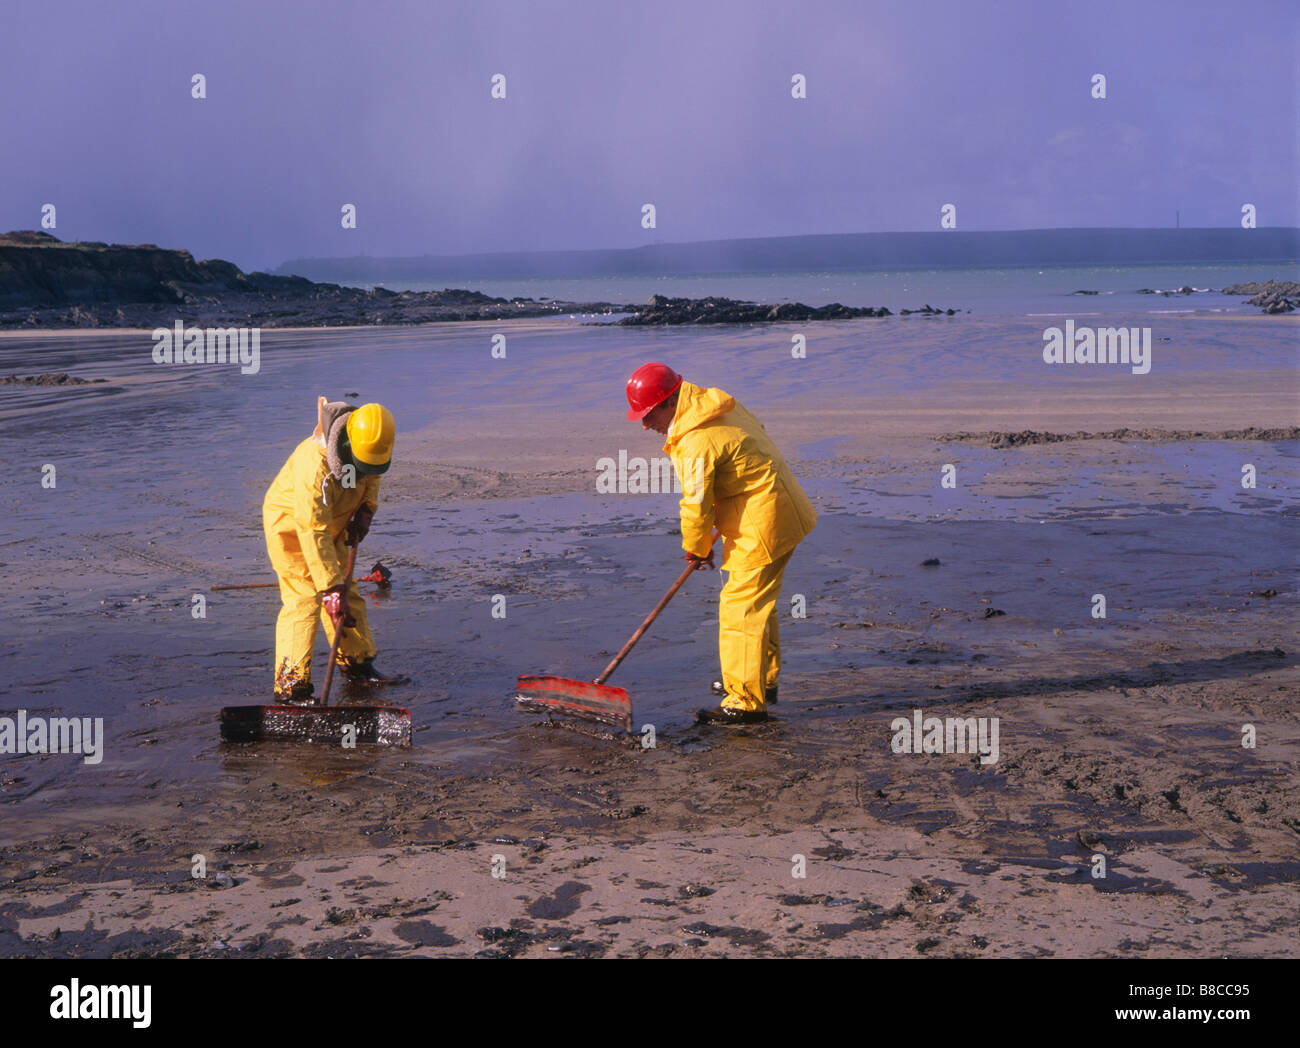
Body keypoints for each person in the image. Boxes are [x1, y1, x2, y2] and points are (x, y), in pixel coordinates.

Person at [626, 363, 817, 724]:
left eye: (648, 414)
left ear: (669, 402)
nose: (645, 424)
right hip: (776, 505)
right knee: (757, 601)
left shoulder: (696, 440)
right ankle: (760, 680)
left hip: (764, 521)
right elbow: (749, 443)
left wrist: (696, 548)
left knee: (740, 608)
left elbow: (695, 504)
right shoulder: (715, 403)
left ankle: (745, 701)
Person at [261, 397, 409, 703]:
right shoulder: (313, 466)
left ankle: (357, 665)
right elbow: (311, 528)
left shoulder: (370, 441)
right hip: (292, 526)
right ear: (348, 443)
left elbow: (372, 474)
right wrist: (329, 589)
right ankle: (292, 687)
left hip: (335, 521)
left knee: (348, 593)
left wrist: (366, 510)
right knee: (303, 599)